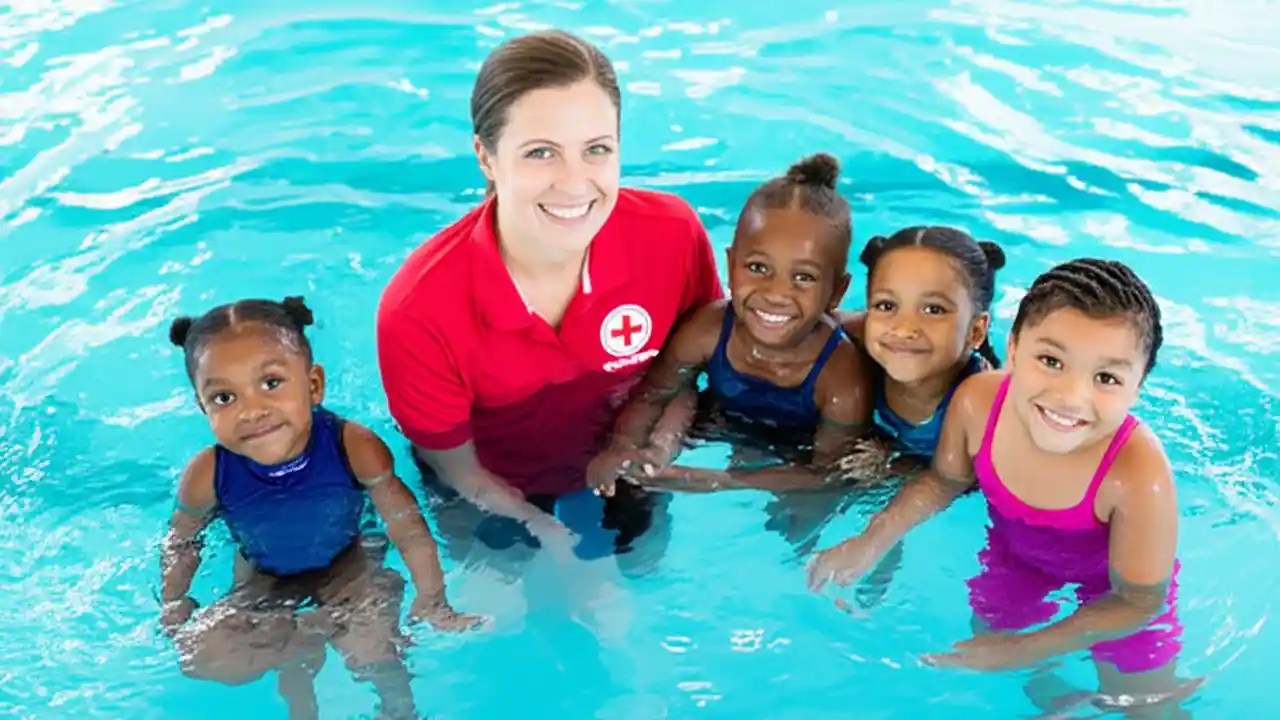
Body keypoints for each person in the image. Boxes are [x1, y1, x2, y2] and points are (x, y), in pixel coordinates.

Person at [375, 30, 722, 564]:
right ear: (486, 157)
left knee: (641, 570)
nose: (575, 183)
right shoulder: (418, 311)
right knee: (502, 596)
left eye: (596, 150)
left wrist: (653, 451)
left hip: (621, 462)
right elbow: (455, 466)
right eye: (541, 153)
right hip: (485, 488)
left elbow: (689, 371)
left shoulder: (672, 237)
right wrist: (542, 531)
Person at [808, 259, 1189, 715]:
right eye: (1051, 361)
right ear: (1012, 347)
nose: (1071, 397)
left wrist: (1024, 648)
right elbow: (942, 481)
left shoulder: (1137, 473)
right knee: (995, 648)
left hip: (1113, 588)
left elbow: (1138, 600)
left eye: (1106, 378)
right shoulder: (977, 404)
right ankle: (1059, 699)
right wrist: (872, 539)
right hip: (1016, 559)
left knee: (1146, 704)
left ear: (1138, 386)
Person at [160, 297, 483, 720]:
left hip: (349, 564)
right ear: (203, 408)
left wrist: (432, 597)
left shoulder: (354, 446)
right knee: (202, 654)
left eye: (271, 383)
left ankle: (399, 709)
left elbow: (405, 525)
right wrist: (174, 604)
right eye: (224, 397)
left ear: (313, 385)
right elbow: (182, 543)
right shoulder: (207, 474)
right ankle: (300, 681)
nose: (251, 411)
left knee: (374, 650)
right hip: (264, 578)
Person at [586, 152, 877, 497]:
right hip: (719, 421)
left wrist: (716, 481)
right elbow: (656, 394)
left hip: (797, 450)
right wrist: (622, 447)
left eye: (803, 277)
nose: (775, 294)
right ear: (731, 265)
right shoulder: (708, 329)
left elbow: (826, 472)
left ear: (837, 292)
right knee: (669, 420)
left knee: (803, 515)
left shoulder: (841, 377)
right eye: (757, 268)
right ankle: (654, 459)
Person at [852, 226, 1005, 461]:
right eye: (886, 306)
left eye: (934, 309)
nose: (904, 330)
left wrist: (891, 463)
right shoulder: (851, 356)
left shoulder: (987, 408)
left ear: (974, 332)